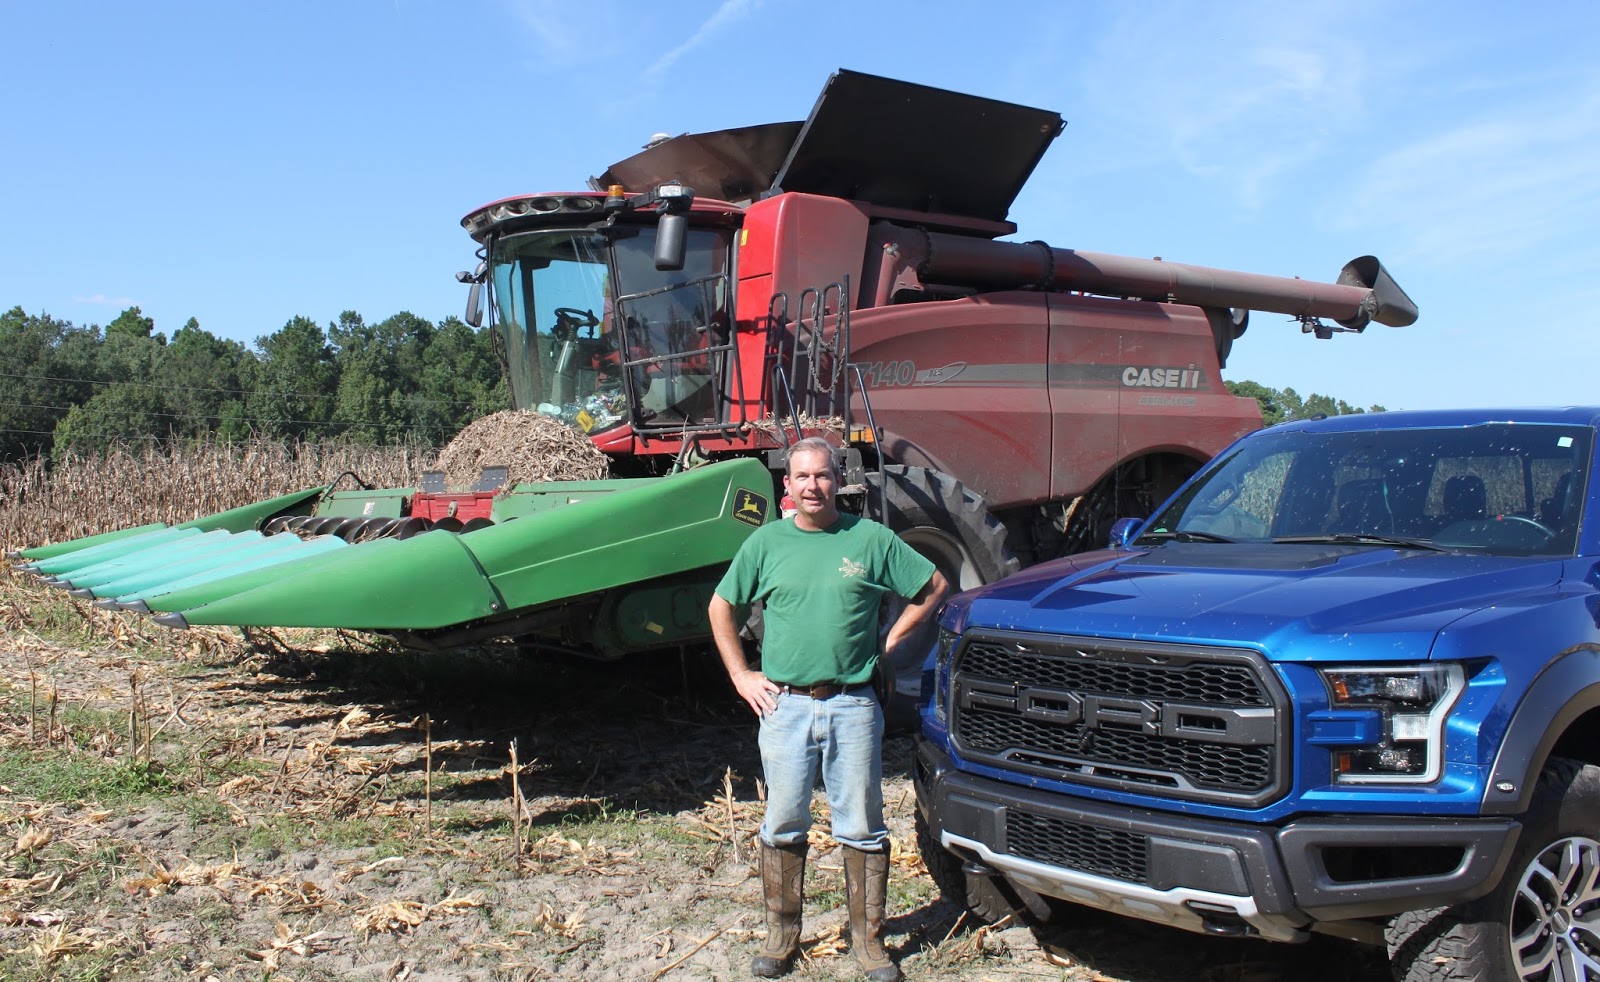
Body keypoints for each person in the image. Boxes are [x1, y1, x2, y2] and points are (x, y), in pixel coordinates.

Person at [708, 437, 948, 981]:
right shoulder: (766, 544)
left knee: (862, 825)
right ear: (786, 487)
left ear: (837, 482)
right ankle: (781, 936)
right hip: (785, 707)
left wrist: (888, 643)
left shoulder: (870, 539)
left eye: (822, 476)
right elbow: (721, 605)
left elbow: (933, 586)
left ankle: (867, 942)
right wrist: (741, 675)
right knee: (783, 819)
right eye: (802, 477)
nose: (812, 486)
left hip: (853, 705)